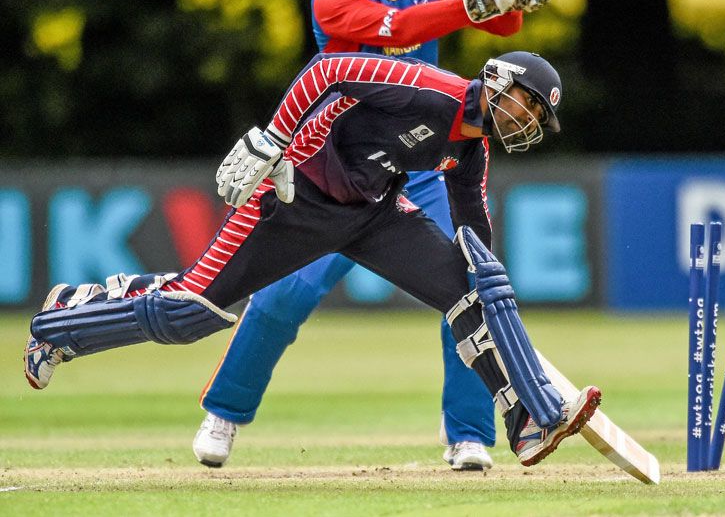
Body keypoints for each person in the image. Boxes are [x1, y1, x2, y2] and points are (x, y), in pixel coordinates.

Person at [25, 49, 602, 468]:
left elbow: (472, 220)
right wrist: (274, 139)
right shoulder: (430, 88)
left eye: (536, 118)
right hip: (294, 193)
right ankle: (69, 316)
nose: (527, 120)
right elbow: (328, 72)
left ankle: (523, 419)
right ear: (499, 79)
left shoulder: (469, 148)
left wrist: (487, 279)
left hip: (373, 211)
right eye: (527, 104)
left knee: (467, 290)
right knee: (190, 312)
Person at [187, 0, 556, 471]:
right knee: (286, 294)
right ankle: (226, 414)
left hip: (421, 166)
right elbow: (403, 30)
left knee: (465, 284)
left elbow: (505, 31)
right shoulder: (329, 0)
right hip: (338, 173)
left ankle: (467, 433)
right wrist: (475, 2)